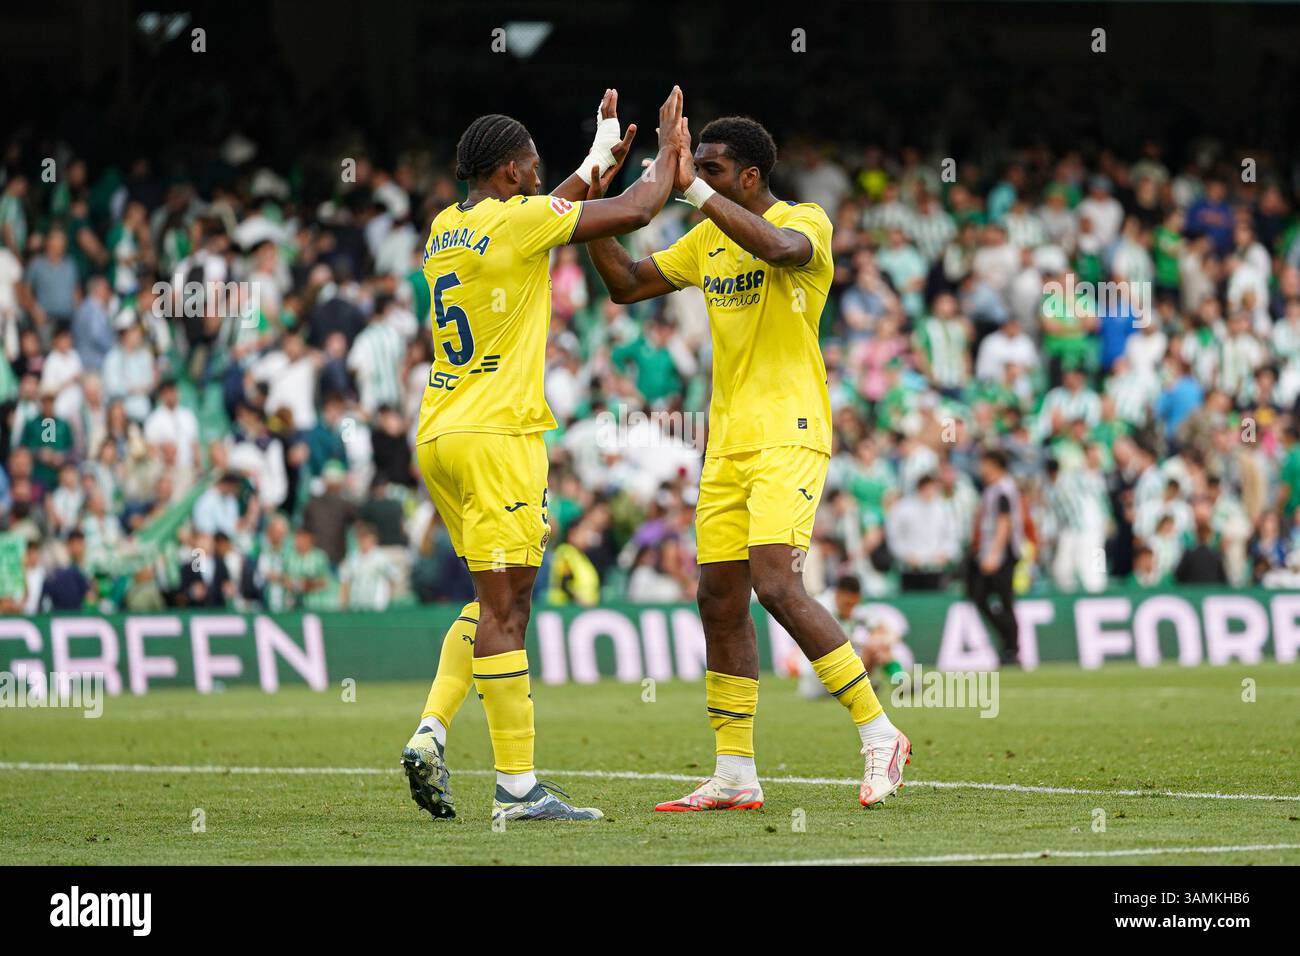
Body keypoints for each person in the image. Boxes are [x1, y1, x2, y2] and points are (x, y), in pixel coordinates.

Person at [586, 114, 910, 812]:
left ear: (752, 176)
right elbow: (627, 285)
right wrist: (598, 206)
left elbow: (786, 251)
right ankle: (735, 772)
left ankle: (880, 732)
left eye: (713, 167)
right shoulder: (706, 240)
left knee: (777, 585)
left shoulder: (806, 219)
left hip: (790, 430)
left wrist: (692, 193)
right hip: (727, 441)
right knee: (718, 599)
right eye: (695, 164)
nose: (698, 176)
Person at [401, 86, 687, 825]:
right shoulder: (521, 220)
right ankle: (518, 789)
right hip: (499, 435)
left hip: (442, 432)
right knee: (508, 608)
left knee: (498, 601)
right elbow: (635, 213)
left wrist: (593, 163)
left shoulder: (445, 228)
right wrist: (667, 157)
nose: (538, 174)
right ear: (508, 173)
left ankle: (433, 729)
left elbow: (550, 214)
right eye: (532, 166)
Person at [968, 448, 1023, 664]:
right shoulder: (994, 489)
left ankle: (1012, 649)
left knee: (1003, 601)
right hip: (993, 552)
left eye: (984, 463)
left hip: (1003, 554)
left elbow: (1004, 523)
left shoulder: (1002, 489)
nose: (981, 468)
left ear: (994, 464)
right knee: (984, 598)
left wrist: (993, 554)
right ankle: (1009, 644)